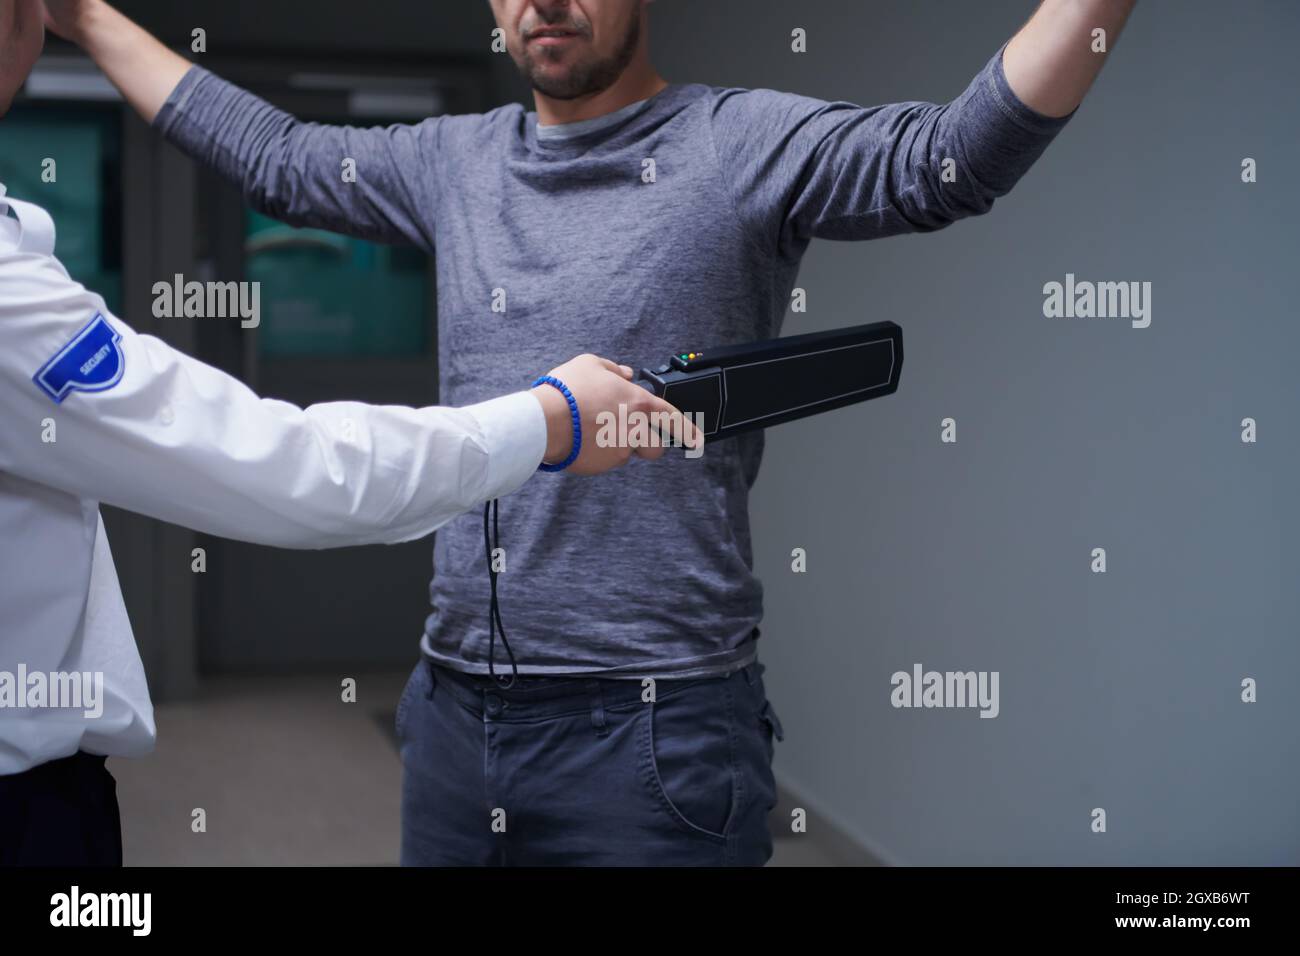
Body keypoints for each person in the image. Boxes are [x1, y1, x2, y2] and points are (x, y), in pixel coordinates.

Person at [47, 0, 1137, 865]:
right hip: (454, 710)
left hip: (655, 728)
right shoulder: (454, 162)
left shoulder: (737, 143)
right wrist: (87, 16)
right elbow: (277, 156)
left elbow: (949, 158)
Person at [0, 0, 692, 866]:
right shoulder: (10, 301)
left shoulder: (739, 141)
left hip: (663, 700)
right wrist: (551, 417)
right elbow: (293, 468)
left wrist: (89, 19)